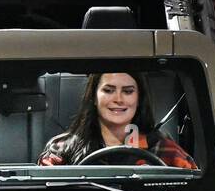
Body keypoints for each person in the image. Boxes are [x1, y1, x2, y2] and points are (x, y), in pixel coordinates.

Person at [38, 72, 196, 169]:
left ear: (139, 99)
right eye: (108, 90)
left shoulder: (164, 149)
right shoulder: (62, 149)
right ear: (94, 97)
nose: (118, 99)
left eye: (128, 91)